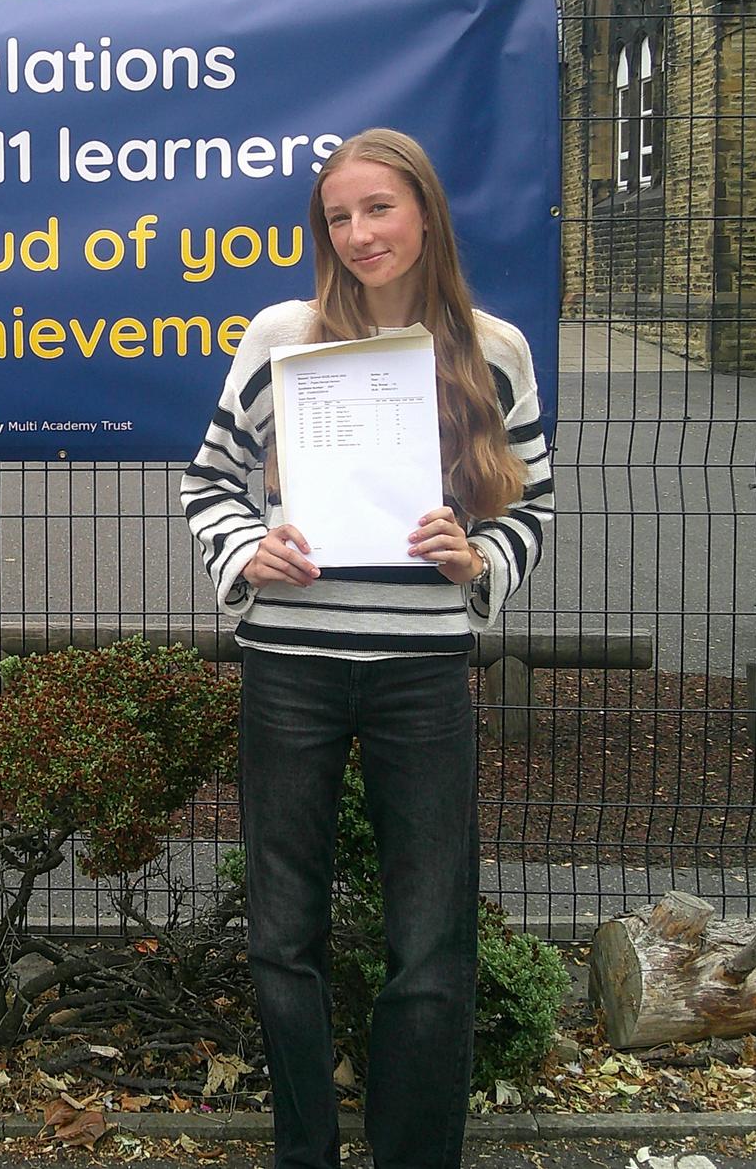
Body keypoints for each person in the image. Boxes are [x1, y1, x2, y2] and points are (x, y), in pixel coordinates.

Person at [181, 127, 554, 1169]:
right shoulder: (282, 336)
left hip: (420, 673)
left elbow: (532, 506)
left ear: (425, 212)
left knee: (431, 941)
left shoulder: (495, 351)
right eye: (337, 217)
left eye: (377, 209)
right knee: (280, 936)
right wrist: (247, 550)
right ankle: (305, 1153)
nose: (357, 234)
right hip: (291, 666)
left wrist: (475, 557)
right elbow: (208, 479)